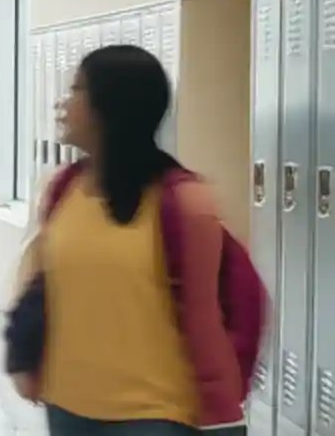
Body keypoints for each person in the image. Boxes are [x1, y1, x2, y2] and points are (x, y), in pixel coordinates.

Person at [19, 45, 243, 435]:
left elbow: (203, 318)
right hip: (66, 405)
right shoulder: (62, 189)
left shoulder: (184, 202)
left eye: (76, 90)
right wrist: (27, 356)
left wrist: (223, 416)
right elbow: (44, 287)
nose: (63, 103)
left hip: (152, 413)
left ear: (110, 106)